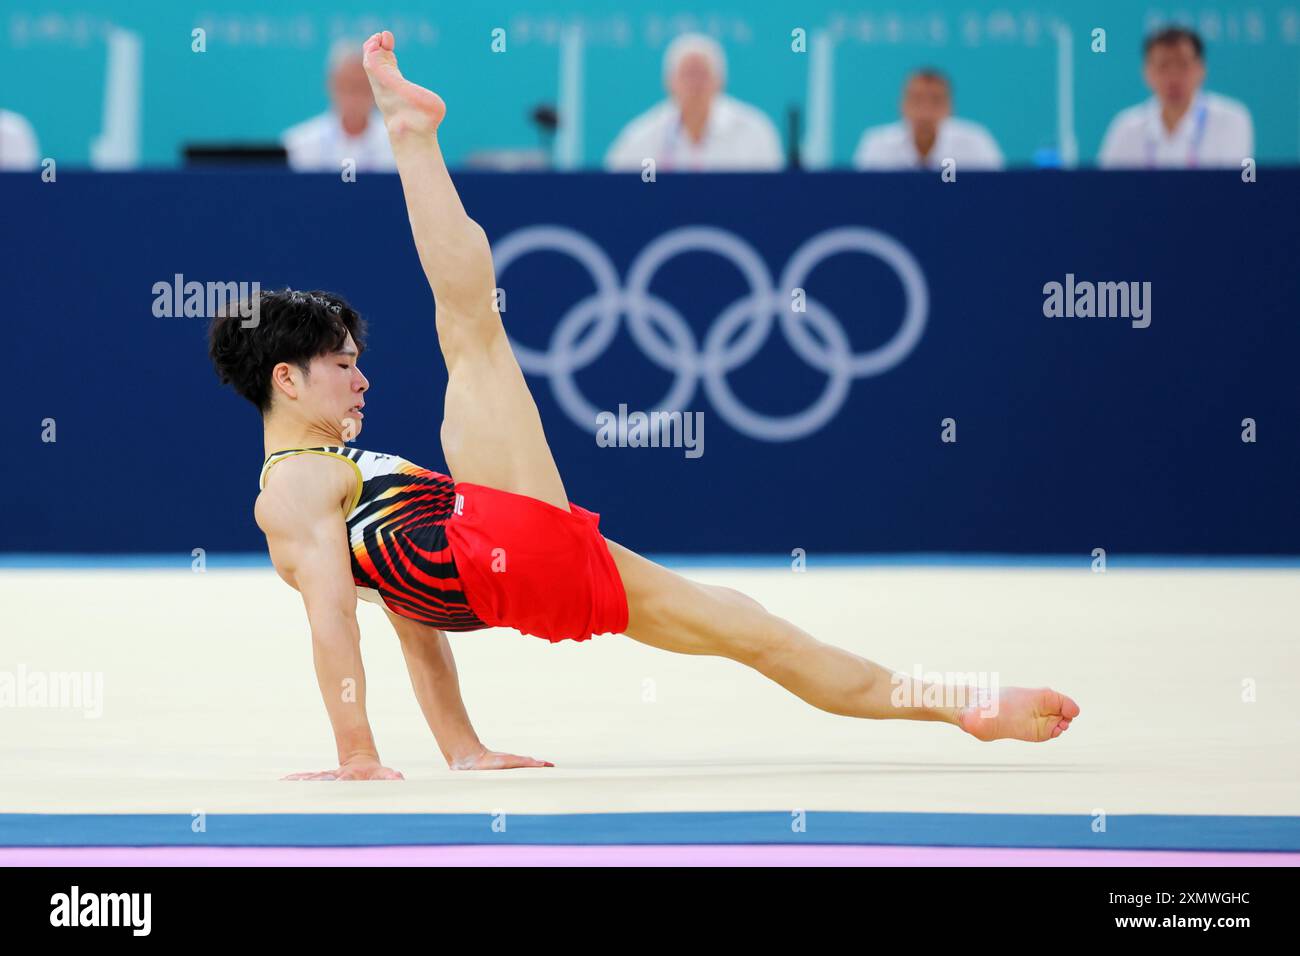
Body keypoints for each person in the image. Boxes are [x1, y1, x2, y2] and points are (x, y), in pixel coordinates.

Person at [209, 31, 1079, 780]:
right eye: (341, 366)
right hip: (505, 550)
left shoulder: (345, 476)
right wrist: (356, 751)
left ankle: (966, 702)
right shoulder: (291, 487)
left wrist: (463, 748)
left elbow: (411, 622)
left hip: (538, 568)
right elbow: (334, 622)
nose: (362, 381)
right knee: (470, 327)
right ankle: (411, 136)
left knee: (761, 632)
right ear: (286, 379)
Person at [604, 33, 783, 172]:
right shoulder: (642, 137)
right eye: (688, 74)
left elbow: (772, 194)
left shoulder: (754, 132)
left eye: (702, 74)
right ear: (669, 82)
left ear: (720, 81)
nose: (695, 83)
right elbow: (618, 193)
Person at [1098, 27, 1253, 169]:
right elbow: (1107, 189)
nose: (1173, 76)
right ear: (1147, 72)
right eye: (1163, 65)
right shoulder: (1126, 128)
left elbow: (1232, 189)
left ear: (1201, 69)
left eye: (1183, 64)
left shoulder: (1231, 120)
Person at [281, 39, 396, 172]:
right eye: (348, 85)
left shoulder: (397, 144)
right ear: (332, 85)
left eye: (363, 86)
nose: (355, 95)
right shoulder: (298, 146)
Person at [853, 69, 1003, 171]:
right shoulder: (876, 143)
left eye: (936, 101)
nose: (925, 110)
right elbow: (863, 196)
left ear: (950, 107)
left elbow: (996, 191)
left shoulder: (975, 141)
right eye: (917, 100)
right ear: (902, 105)